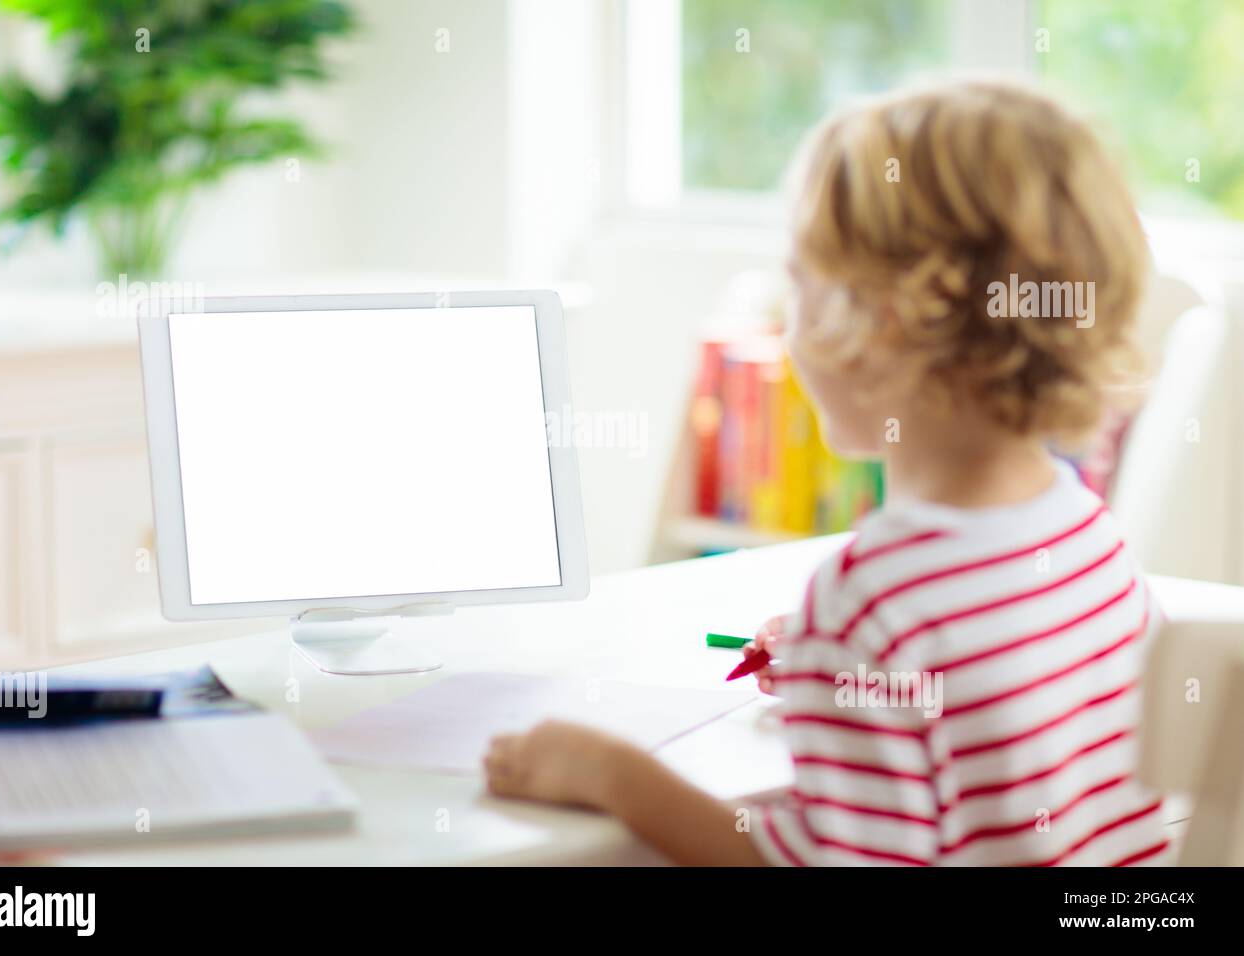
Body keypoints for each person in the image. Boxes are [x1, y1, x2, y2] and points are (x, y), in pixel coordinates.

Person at [484, 79, 1167, 866]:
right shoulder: (1087, 534)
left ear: (880, 322)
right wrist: (842, 663)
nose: (787, 325)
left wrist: (612, 775)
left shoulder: (874, 600)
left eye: (799, 287)